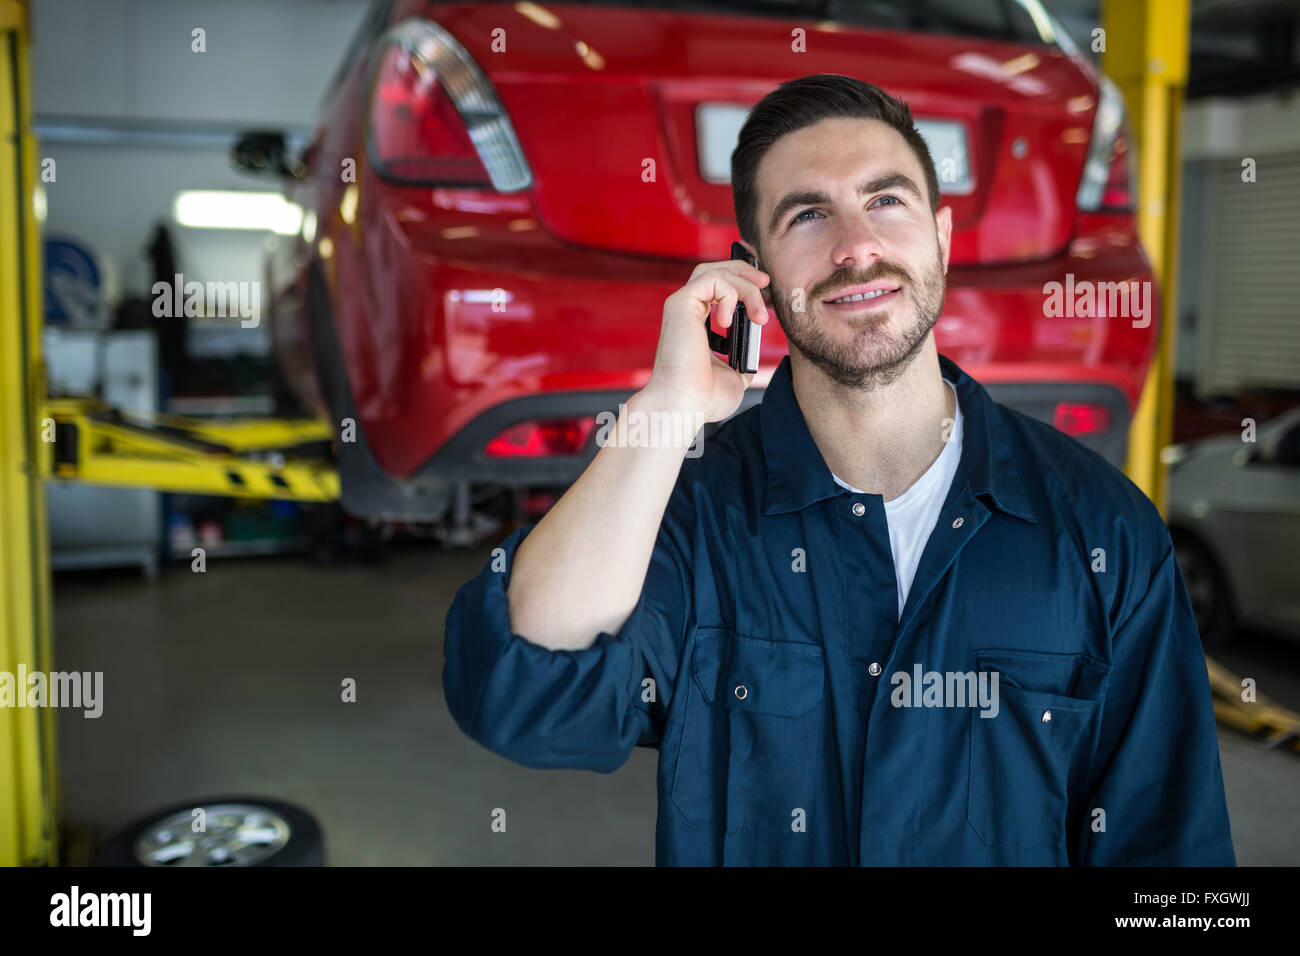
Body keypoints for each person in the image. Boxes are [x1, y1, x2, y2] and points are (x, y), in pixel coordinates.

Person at [442, 74, 1236, 866]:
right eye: (808, 214)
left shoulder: (1102, 530)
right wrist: (666, 407)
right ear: (752, 269)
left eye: (887, 201)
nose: (856, 246)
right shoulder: (689, 516)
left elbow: (1169, 856)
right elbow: (521, 698)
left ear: (944, 237)